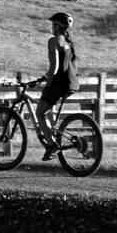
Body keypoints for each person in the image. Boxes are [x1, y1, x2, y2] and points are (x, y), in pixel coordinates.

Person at [30, 12, 81, 159]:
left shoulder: (53, 41)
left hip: (60, 83)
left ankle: (52, 145)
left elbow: (55, 67)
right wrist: (46, 79)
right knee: (47, 108)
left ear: (58, 26)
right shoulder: (69, 42)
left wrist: (47, 82)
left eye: (53, 24)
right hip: (72, 83)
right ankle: (53, 134)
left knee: (40, 112)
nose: (51, 27)